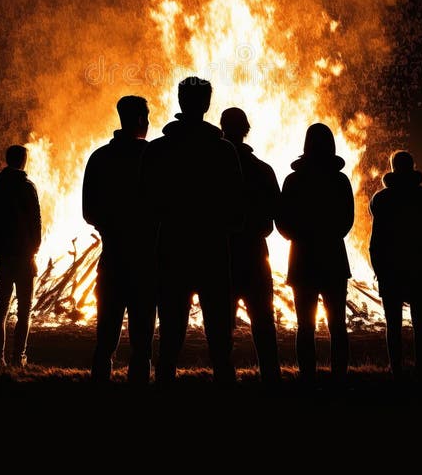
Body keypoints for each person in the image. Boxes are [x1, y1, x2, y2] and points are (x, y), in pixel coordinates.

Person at [141, 76, 243, 386]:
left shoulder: (157, 151)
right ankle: (224, 389)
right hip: (212, 250)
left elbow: (146, 202)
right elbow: (236, 204)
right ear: (207, 104)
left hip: (172, 248)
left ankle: (164, 388)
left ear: (180, 101)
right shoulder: (223, 152)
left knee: (170, 332)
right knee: (219, 336)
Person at [82, 95, 156, 385]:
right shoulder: (152, 157)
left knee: (105, 339)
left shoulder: (100, 158)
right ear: (140, 120)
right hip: (146, 262)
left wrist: (111, 226)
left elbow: (89, 211)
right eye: (146, 120)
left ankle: (100, 392)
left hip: (112, 260)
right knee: (142, 343)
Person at [277, 123, 354, 386]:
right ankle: (339, 379)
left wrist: (301, 237)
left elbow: (282, 222)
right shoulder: (340, 180)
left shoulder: (294, 180)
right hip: (333, 258)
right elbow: (347, 221)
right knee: (337, 325)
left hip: (302, 261)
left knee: (305, 326)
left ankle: (307, 377)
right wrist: (327, 234)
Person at [220, 107, 282, 385]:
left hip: (223, 255)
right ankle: (271, 380)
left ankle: (225, 380)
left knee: (222, 326)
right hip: (256, 255)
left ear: (221, 128)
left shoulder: (211, 171)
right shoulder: (262, 170)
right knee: (264, 324)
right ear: (247, 130)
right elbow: (277, 217)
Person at [369, 150, 422, 379]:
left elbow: (376, 241)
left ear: (392, 168)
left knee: (393, 324)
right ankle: (421, 369)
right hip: (419, 269)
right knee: (420, 322)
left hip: (391, 270)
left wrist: (378, 269)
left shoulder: (381, 199)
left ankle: (396, 370)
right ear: (412, 166)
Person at [0, 144, 42, 368]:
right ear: (23, 161)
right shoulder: (28, 187)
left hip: (4, 256)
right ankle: (19, 356)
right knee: (25, 308)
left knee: (1, 307)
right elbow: (36, 220)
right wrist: (34, 247)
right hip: (24, 256)